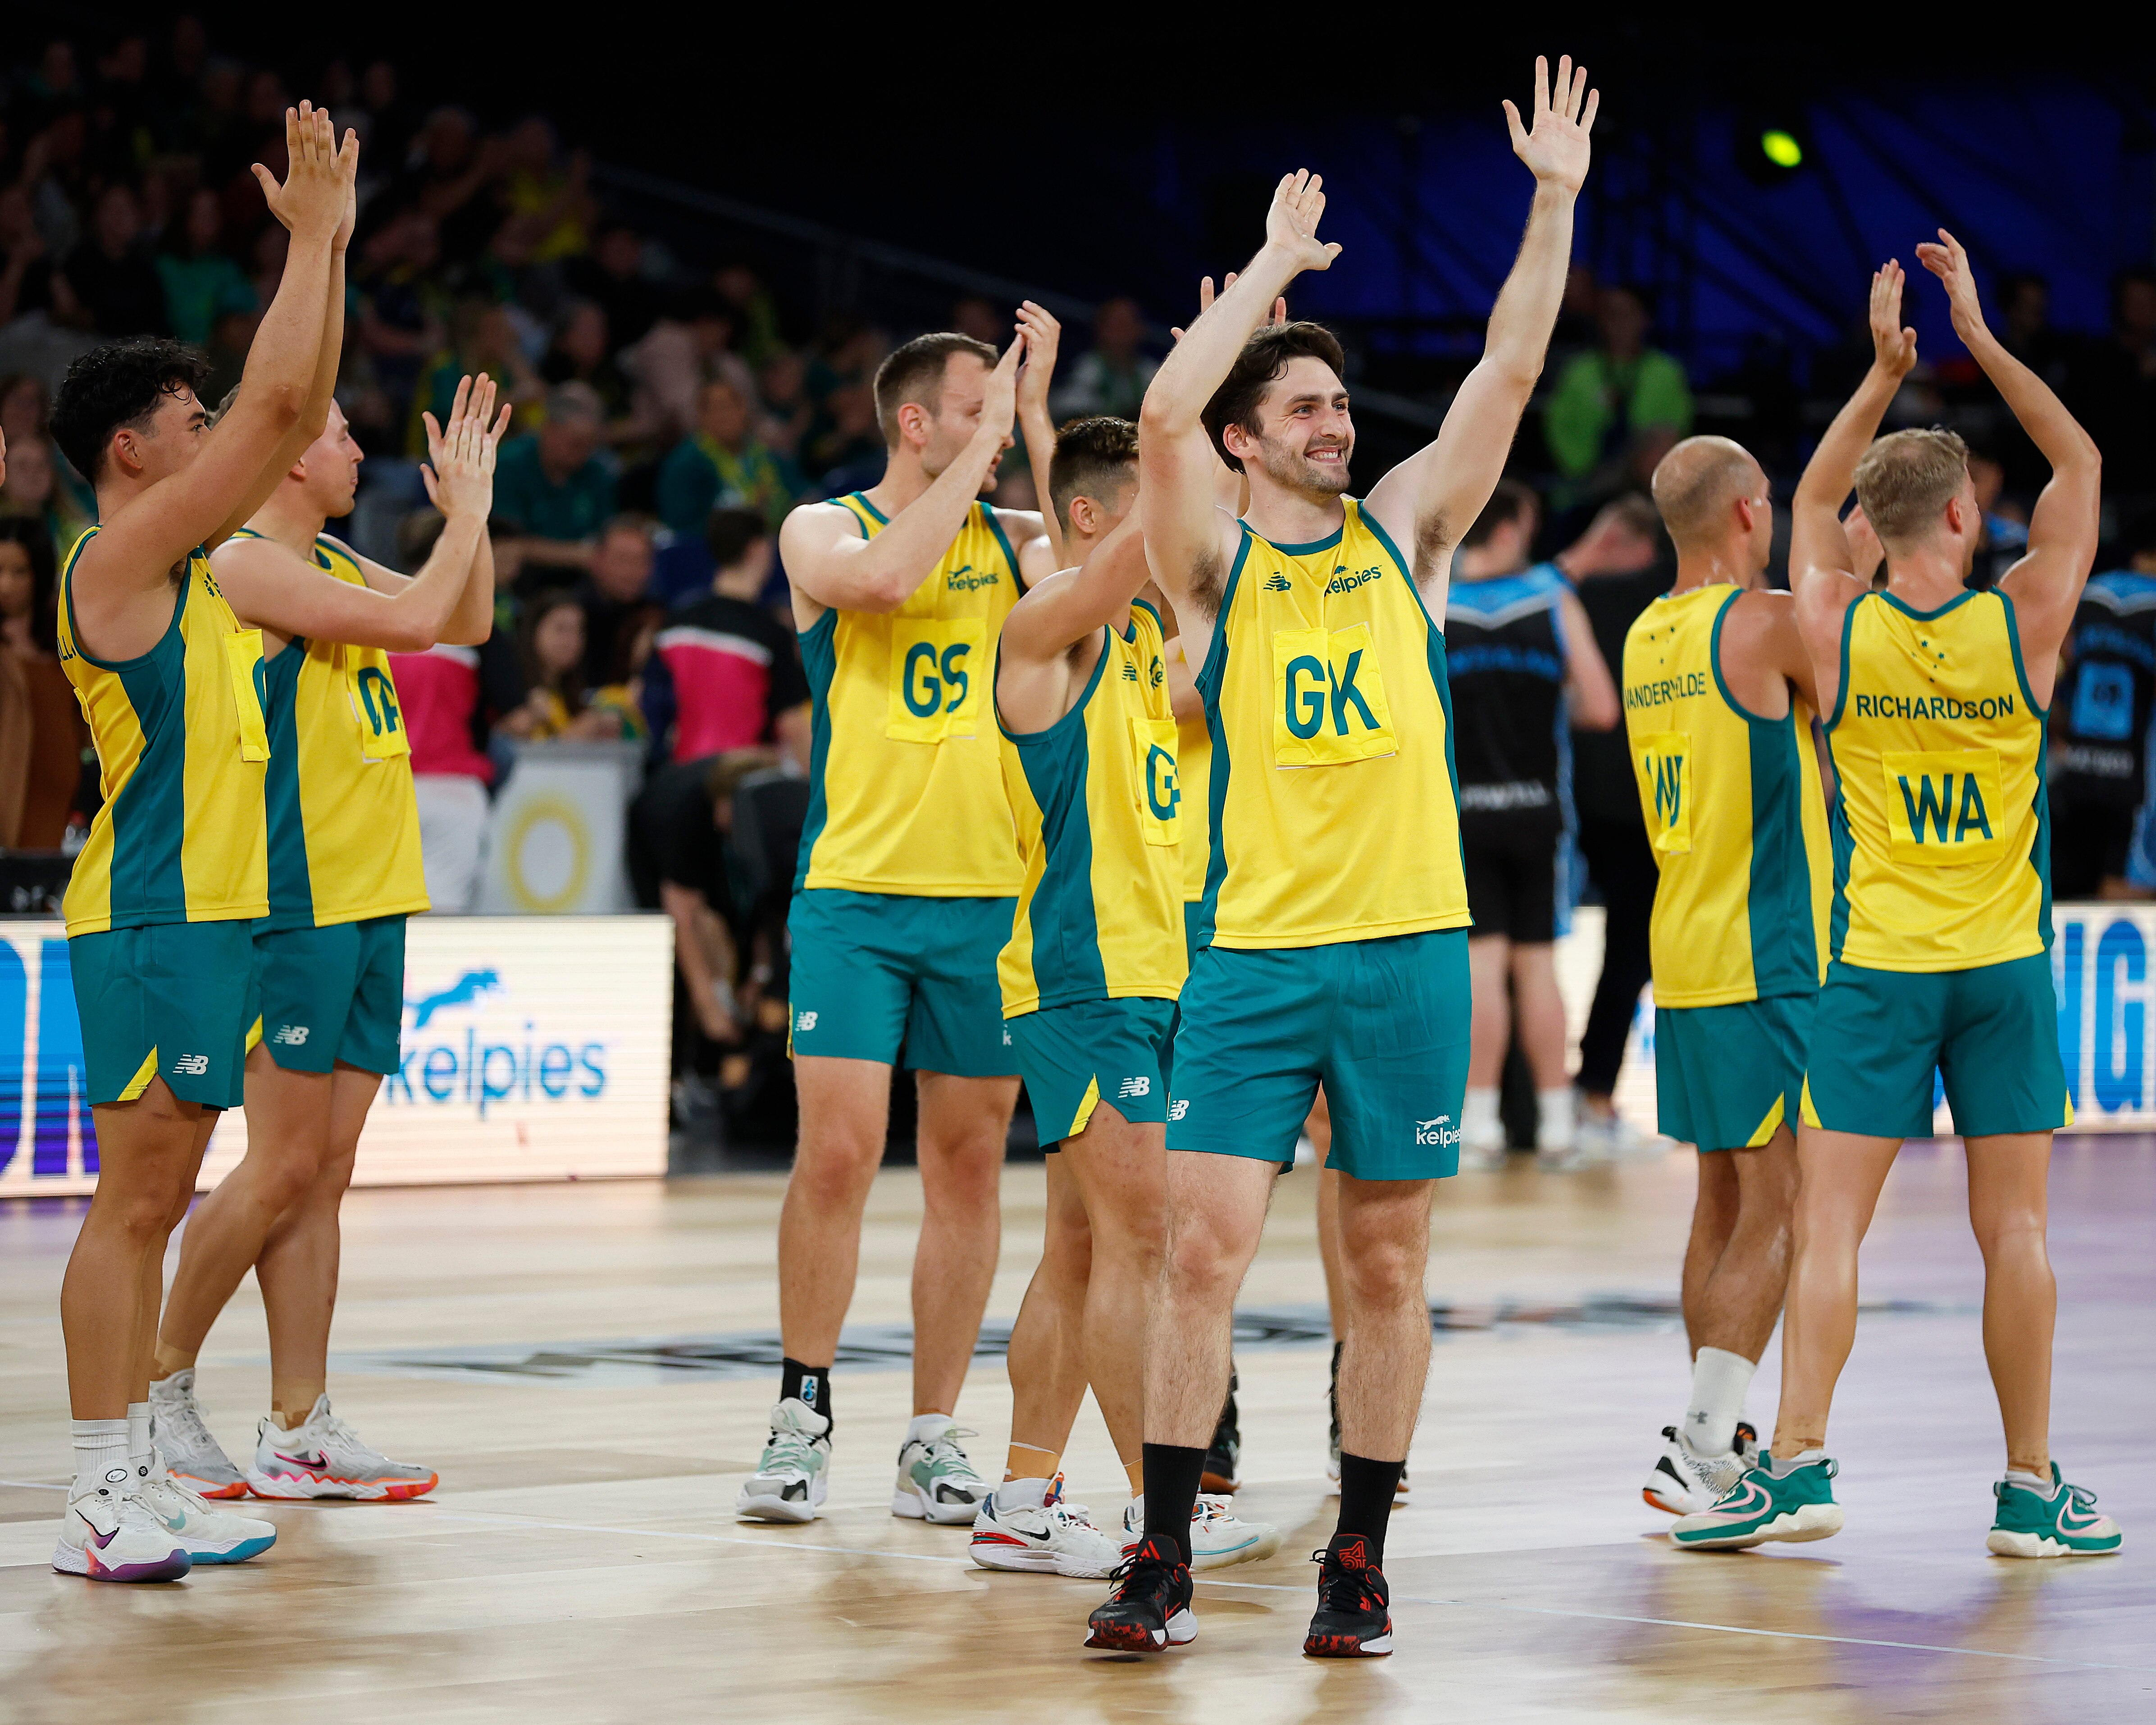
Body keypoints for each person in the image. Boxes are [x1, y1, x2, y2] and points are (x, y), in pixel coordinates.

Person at [1087, 58, 1599, 1659]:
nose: (1335, 421)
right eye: (1303, 407)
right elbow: (1162, 410)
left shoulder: (1407, 533)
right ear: (1254, 439)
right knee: (1198, 1248)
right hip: (1254, 956)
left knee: (1388, 1262)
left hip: (1403, 952)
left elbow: (1509, 371)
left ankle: (1359, 1560)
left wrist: (1556, 199)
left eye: (1336, 404)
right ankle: (1161, 1551)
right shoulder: (1210, 564)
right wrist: (1265, 282)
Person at [1674, 243, 2122, 1558]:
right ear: (1968, 518)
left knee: (1828, 1224)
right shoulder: (2023, 619)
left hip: (1874, 968)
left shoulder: (1833, 628)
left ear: (1886, 522)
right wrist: (1979, 338)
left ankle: (1799, 1465)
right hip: (1999, 968)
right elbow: (2082, 469)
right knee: (2017, 1231)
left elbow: (1812, 502)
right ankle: (2028, 1487)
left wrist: (1878, 376)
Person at [41, 101, 352, 1583]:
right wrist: (309, 244)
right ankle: (101, 1485)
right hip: (154, 917)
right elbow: (286, 413)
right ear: (130, 449)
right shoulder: (122, 554)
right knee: (137, 1199)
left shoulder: (210, 566)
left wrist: (330, 251)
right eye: (191, 420)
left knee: (155, 1196)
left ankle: (126, 1472)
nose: (220, 432)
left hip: (211, 918)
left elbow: (293, 414)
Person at [148, 374, 506, 1502]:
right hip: (292, 903)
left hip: (371, 898)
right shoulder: (245, 561)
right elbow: (419, 621)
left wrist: (472, 518)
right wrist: (463, 524)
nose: (362, 451)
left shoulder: (340, 563)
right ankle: (152, 1388)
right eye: (347, 435)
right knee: (283, 1162)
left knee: (325, 1176)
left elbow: (468, 619)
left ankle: (298, 1424)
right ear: (294, 457)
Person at [735, 306, 1061, 1528]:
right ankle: (801, 1411)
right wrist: (989, 459)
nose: (993, 433)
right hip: (858, 895)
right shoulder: (824, 525)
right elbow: (885, 578)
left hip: (990, 895)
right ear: (916, 422)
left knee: (970, 1165)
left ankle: (933, 1433)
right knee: (837, 1151)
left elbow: (1119, 557)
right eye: (976, 408)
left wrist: (1031, 429)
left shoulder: (1019, 534)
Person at [968, 416, 1276, 1579]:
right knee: (1145, 1238)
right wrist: (1185, 423)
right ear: (1096, 518)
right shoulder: (1043, 630)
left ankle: (1019, 1493)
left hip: (1154, 978)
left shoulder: (1147, 647)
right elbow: (1123, 551)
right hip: (1080, 984)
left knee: (1082, 1246)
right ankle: (1169, 1501)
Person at [1624, 434, 1829, 1516]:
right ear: (1752, 512)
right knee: (1785, 1200)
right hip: (1770, 952)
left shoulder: (1644, 633)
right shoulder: (1764, 621)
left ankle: (1710, 1431)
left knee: (1720, 1197)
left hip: (1688, 946)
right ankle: (1703, 1447)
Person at [1444, 477, 1618, 1168]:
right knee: (1538, 968)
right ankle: (1555, 1125)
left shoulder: (1437, 607)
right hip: (1539, 811)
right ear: (1512, 528)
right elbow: (1600, 708)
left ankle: (1479, 1124)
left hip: (1463, 813)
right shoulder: (1550, 600)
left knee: (1480, 970)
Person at [645, 506, 810, 765]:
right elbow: (792, 724)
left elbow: (645, 701)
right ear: (757, 549)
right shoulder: (770, 634)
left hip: (676, 778)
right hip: (738, 780)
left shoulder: (675, 623)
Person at [2048, 510, 2156, 900]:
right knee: (2121, 892)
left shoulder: (2090, 593)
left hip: (2076, 769)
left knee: (2065, 889)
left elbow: (2060, 669)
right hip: (2136, 785)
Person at [1544, 282, 1692, 510]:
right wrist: (1586, 468)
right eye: (1611, 315)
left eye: (1628, 314)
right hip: (1585, 483)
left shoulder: (1666, 372)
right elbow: (1558, 427)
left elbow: (1675, 430)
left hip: (1646, 482)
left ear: (1645, 320)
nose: (1619, 324)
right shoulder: (1579, 372)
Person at [0, 512, 88, 849]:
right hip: (10, 800)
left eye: (19, 571)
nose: (6, 585)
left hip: (66, 809)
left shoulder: (63, 643)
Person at [492, 382, 616, 576]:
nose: (583, 453)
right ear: (550, 430)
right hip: (523, 577)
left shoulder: (596, 472)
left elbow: (605, 536)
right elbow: (506, 543)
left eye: (590, 445)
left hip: (581, 580)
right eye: (576, 444)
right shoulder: (511, 465)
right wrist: (577, 555)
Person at [656, 377, 802, 538]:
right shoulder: (684, 465)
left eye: (729, 407)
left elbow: (799, 491)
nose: (723, 417)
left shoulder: (767, 452)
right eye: (715, 409)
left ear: (743, 410)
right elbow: (682, 524)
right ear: (701, 417)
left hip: (778, 540)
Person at [1050, 297, 1158, 423]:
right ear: (1101, 327)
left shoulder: (1151, 371)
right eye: (1116, 323)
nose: (1121, 330)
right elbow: (1067, 409)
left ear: (1140, 328)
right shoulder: (1087, 367)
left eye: (1128, 322)